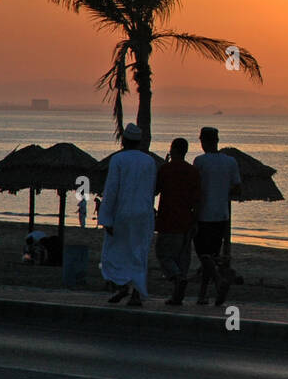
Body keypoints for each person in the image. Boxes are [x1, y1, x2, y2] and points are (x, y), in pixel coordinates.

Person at [99, 124, 157, 306]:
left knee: (117, 253)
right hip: (143, 214)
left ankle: (123, 286)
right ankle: (133, 292)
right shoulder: (149, 161)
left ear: (124, 140)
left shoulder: (118, 159)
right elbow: (151, 189)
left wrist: (106, 217)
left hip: (122, 214)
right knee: (138, 253)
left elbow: (111, 190)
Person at [193, 126, 241, 306]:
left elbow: (195, 189)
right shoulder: (230, 162)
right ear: (217, 141)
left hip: (204, 215)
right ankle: (203, 295)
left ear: (204, 142)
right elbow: (237, 187)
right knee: (211, 256)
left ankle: (219, 281)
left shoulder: (200, 162)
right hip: (222, 215)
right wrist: (223, 191)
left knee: (204, 255)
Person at [154, 137, 200, 306]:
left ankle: (177, 278)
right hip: (186, 221)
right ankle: (177, 295)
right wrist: (195, 222)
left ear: (172, 149)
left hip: (168, 220)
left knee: (164, 254)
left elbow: (155, 190)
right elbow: (197, 200)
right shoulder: (193, 171)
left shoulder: (165, 169)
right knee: (182, 258)